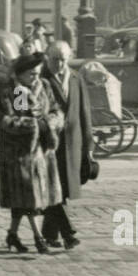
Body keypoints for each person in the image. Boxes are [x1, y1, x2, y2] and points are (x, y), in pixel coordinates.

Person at [0, 51, 63, 254]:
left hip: (42, 151)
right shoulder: (16, 92)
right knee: (29, 197)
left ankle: (12, 235)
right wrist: (35, 125)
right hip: (20, 153)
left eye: (37, 72)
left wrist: (49, 123)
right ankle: (38, 237)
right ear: (20, 74)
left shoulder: (44, 86)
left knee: (22, 199)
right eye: (31, 74)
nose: (35, 77)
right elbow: (13, 120)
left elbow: (56, 111)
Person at [41, 42, 94, 249]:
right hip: (49, 145)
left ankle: (49, 234)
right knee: (56, 190)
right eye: (55, 59)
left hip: (72, 143)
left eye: (64, 59)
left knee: (59, 190)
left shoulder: (75, 77)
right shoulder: (40, 78)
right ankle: (68, 233)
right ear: (47, 58)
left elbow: (84, 112)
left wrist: (88, 145)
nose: (60, 64)